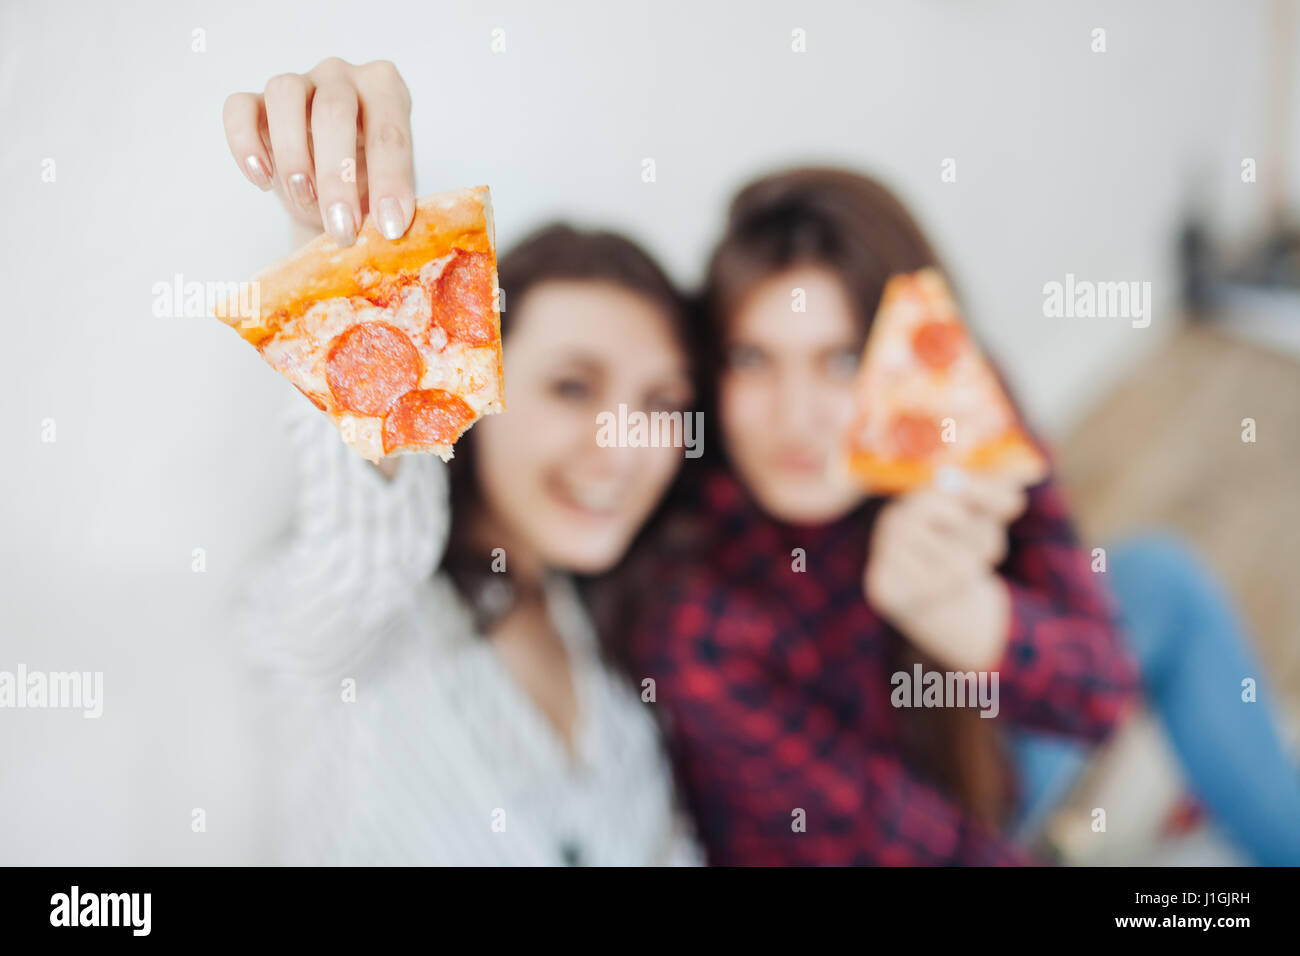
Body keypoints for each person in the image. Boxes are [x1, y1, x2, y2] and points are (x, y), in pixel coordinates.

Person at [626, 167, 1300, 865]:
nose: (794, 420)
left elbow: (1101, 694)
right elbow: (914, 844)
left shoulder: (957, 404)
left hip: (980, 752)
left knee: (1162, 580)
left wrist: (972, 615)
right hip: (888, 839)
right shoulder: (696, 619)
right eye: (753, 359)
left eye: (843, 359)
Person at [222, 58, 701, 865]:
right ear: (478, 389)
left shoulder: (622, 665)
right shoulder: (362, 629)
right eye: (573, 386)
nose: (625, 444)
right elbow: (362, 550)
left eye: (660, 403)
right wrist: (341, 277)